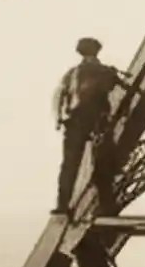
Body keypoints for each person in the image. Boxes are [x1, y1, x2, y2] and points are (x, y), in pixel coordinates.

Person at [52, 38, 137, 215]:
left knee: (70, 165)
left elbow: (59, 96)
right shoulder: (105, 71)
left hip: (77, 121)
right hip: (97, 121)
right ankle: (106, 204)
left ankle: (63, 204)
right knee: (101, 164)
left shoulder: (73, 73)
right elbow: (128, 90)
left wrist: (59, 118)